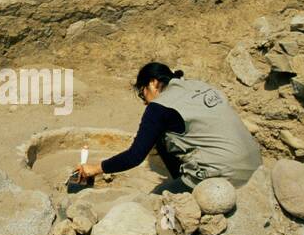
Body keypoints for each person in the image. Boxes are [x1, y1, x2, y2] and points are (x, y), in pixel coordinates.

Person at [76, 62, 262, 192]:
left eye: (143, 95)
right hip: (256, 169)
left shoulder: (159, 107)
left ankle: (186, 185)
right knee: (163, 137)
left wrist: (95, 168)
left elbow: (134, 157)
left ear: (153, 83)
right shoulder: (200, 85)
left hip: (226, 178)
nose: (145, 103)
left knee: (156, 202)